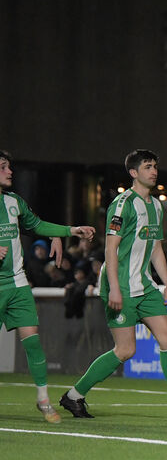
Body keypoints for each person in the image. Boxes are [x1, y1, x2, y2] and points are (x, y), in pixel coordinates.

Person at [59, 149, 167, 421]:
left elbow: (155, 249)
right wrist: (114, 288)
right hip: (122, 286)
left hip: (145, 285)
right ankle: (74, 396)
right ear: (133, 173)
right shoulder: (122, 204)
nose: (154, 171)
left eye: (155, 166)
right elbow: (110, 250)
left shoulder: (157, 205)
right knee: (126, 350)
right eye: (148, 166)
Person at [0, 150, 95, 421]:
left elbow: (37, 225)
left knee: (33, 342)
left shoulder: (13, 202)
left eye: (9, 166)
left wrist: (70, 230)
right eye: (4, 167)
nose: (10, 171)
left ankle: (43, 399)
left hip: (17, 284)